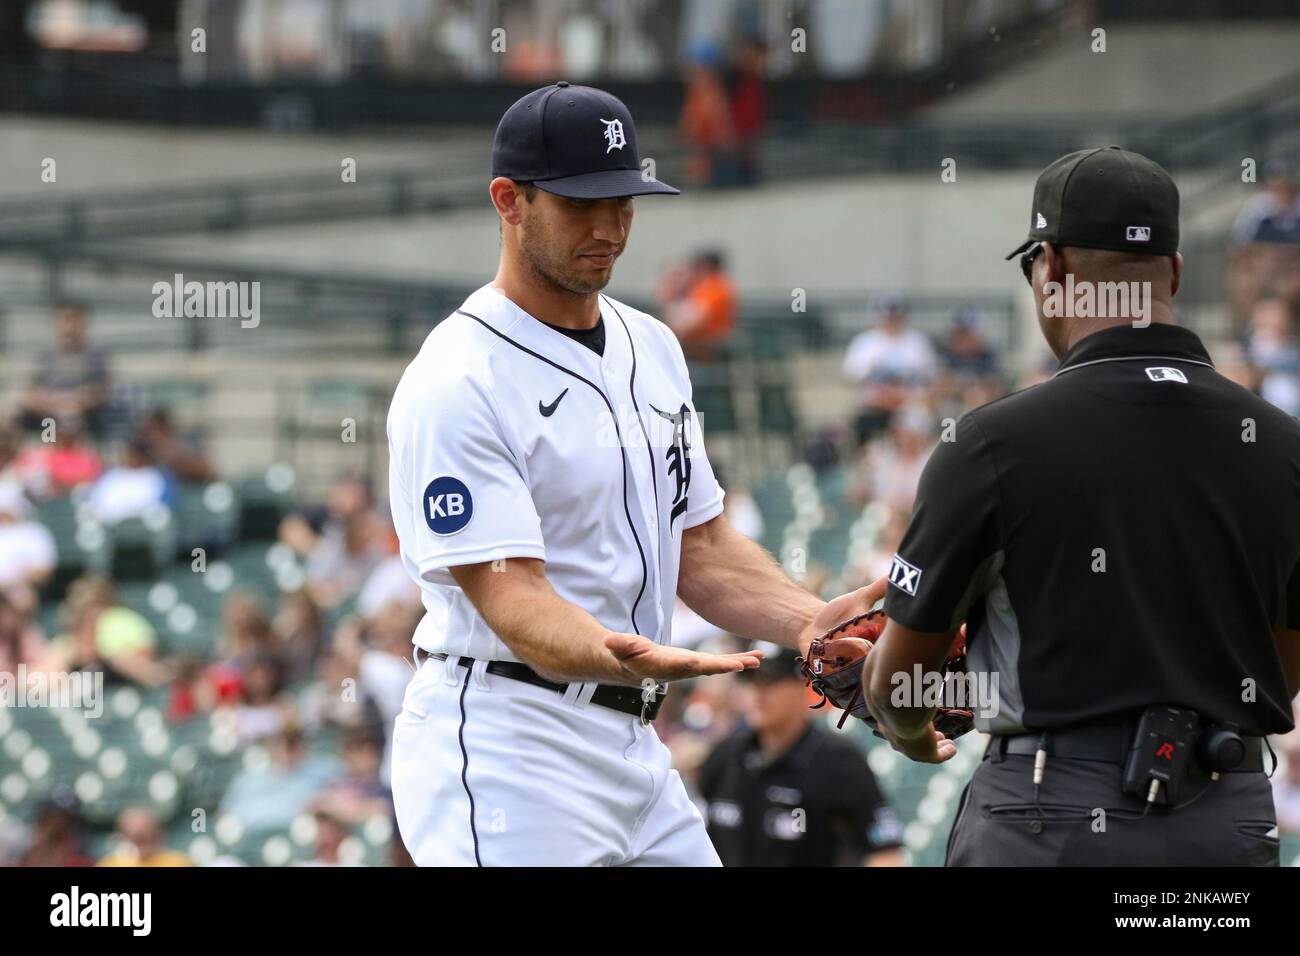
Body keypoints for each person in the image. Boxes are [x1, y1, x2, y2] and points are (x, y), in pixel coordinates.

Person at [385, 81, 880, 867]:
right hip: (510, 737)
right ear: (509, 201)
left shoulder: (652, 345)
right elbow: (511, 596)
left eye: (624, 201)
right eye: (583, 203)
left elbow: (704, 547)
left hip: (632, 744)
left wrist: (810, 623)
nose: (610, 226)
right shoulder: (458, 378)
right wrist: (626, 651)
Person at [862, 146, 1300, 867]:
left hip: (1050, 816)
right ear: (1177, 272)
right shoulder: (1282, 443)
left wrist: (906, 725)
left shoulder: (991, 443)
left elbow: (898, 681)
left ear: (1053, 269)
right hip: (1226, 819)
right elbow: (1279, 673)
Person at [698, 646, 904, 867]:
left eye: (769, 681)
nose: (757, 693)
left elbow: (885, 852)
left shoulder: (839, 761)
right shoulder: (724, 755)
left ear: (801, 686)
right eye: (751, 681)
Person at [841, 298, 939, 445]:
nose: (892, 321)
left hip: (910, 403)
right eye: (888, 317)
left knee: (921, 419)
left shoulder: (917, 341)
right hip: (875, 404)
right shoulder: (865, 342)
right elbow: (851, 375)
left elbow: (931, 375)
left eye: (896, 317)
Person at [20, 301, 113, 438]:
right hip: (50, 412)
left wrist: (75, 403)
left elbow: (103, 392)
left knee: (85, 420)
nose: (69, 325)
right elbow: (31, 394)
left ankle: (82, 454)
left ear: (84, 323)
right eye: (65, 319)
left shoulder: (96, 356)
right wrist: (56, 405)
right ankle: (47, 452)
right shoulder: (45, 356)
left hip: (85, 414)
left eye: (74, 318)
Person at [97, 807, 191, 866]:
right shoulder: (110, 864)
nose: (139, 833)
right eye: (136, 837)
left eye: (146, 833)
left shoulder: (179, 862)